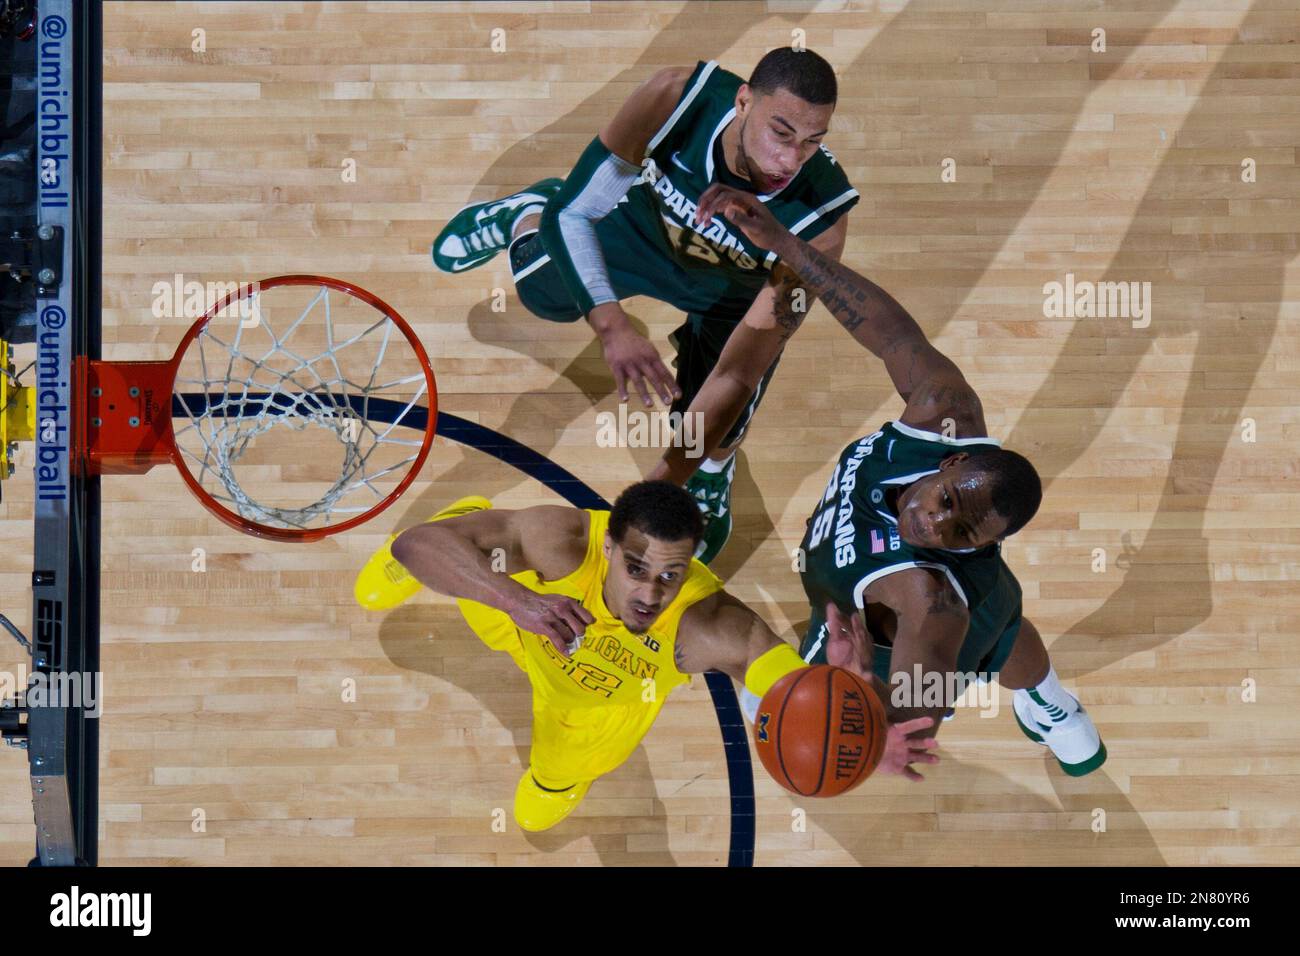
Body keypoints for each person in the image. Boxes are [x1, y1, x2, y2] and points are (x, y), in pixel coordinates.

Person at [686, 183, 1107, 776]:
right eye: (945, 503)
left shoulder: (929, 598)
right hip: (889, 584)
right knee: (1006, 631)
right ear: (953, 462)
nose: (933, 524)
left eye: (960, 534)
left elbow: (922, 690)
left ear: (982, 546)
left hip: (884, 640)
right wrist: (785, 244)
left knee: (986, 641)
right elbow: (889, 332)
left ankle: (1047, 702)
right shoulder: (944, 411)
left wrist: (883, 725)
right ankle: (1047, 700)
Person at [432, 48, 859, 563]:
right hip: (641, 232)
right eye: (782, 132)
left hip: (732, 296)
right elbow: (576, 213)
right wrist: (612, 327)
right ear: (744, 102)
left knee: (723, 419)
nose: (791, 160)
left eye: (813, 141)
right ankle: (523, 214)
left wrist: (667, 487)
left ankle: (710, 479)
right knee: (544, 293)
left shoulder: (822, 219)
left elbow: (741, 371)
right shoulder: (678, 97)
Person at [354, 481, 938, 832]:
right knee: (447, 551)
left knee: (564, 767)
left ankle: (559, 782)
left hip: (601, 702)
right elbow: (415, 544)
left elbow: (795, 699)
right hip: (529, 614)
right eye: (635, 568)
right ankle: (466, 523)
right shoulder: (560, 544)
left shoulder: (710, 626)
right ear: (607, 545)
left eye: (670, 575)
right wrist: (521, 602)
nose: (651, 593)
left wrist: (866, 722)